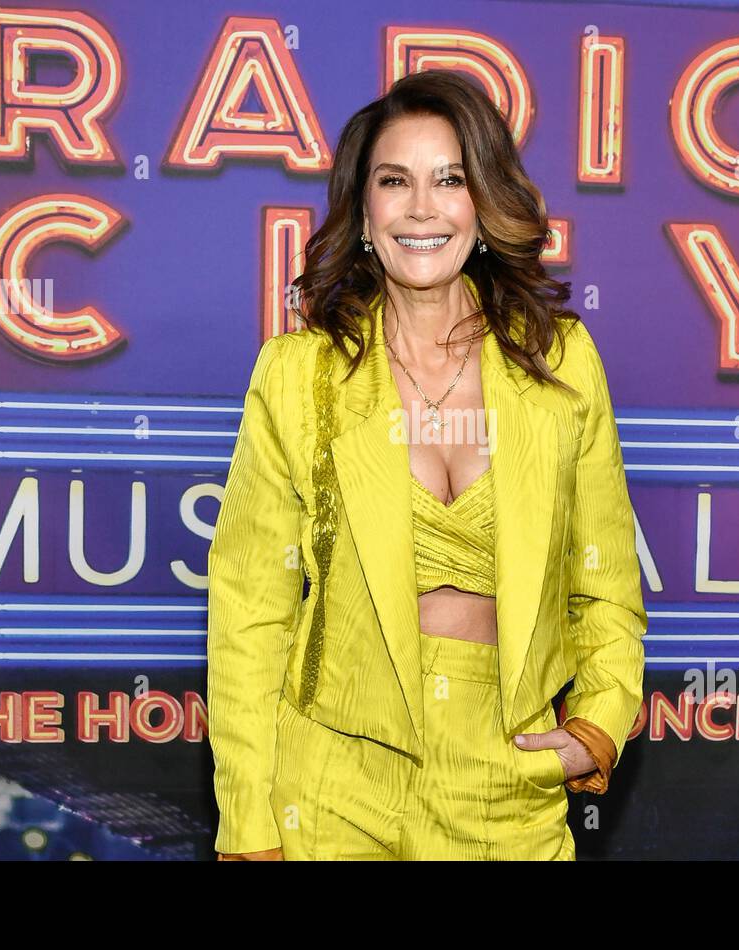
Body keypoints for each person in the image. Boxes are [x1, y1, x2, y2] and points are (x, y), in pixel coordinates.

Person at [210, 71, 646, 860]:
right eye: (394, 181)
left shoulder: (560, 363)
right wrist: (248, 821)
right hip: (334, 773)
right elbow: (249, 613)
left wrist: (597, 724)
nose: (421, 207)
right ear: (366, 212)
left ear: (482, 207)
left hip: (507, 775)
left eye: (449, 179)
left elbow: (606, 583)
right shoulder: (298, 373)